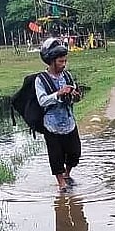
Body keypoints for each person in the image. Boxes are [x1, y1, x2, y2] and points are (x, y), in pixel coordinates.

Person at [36, 37, 83, 191]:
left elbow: (74, 97)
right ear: (51, 61)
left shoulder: (67, 76)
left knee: (75, 152)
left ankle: (67, 174)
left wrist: (75, 96)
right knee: (56, 157)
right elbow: (42, 101)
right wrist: (58, 94)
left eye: (64, 61)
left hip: (69, 123)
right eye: (60, 62)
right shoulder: (40, 80)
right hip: (51, 125)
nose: (63, 65)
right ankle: (62, 185)